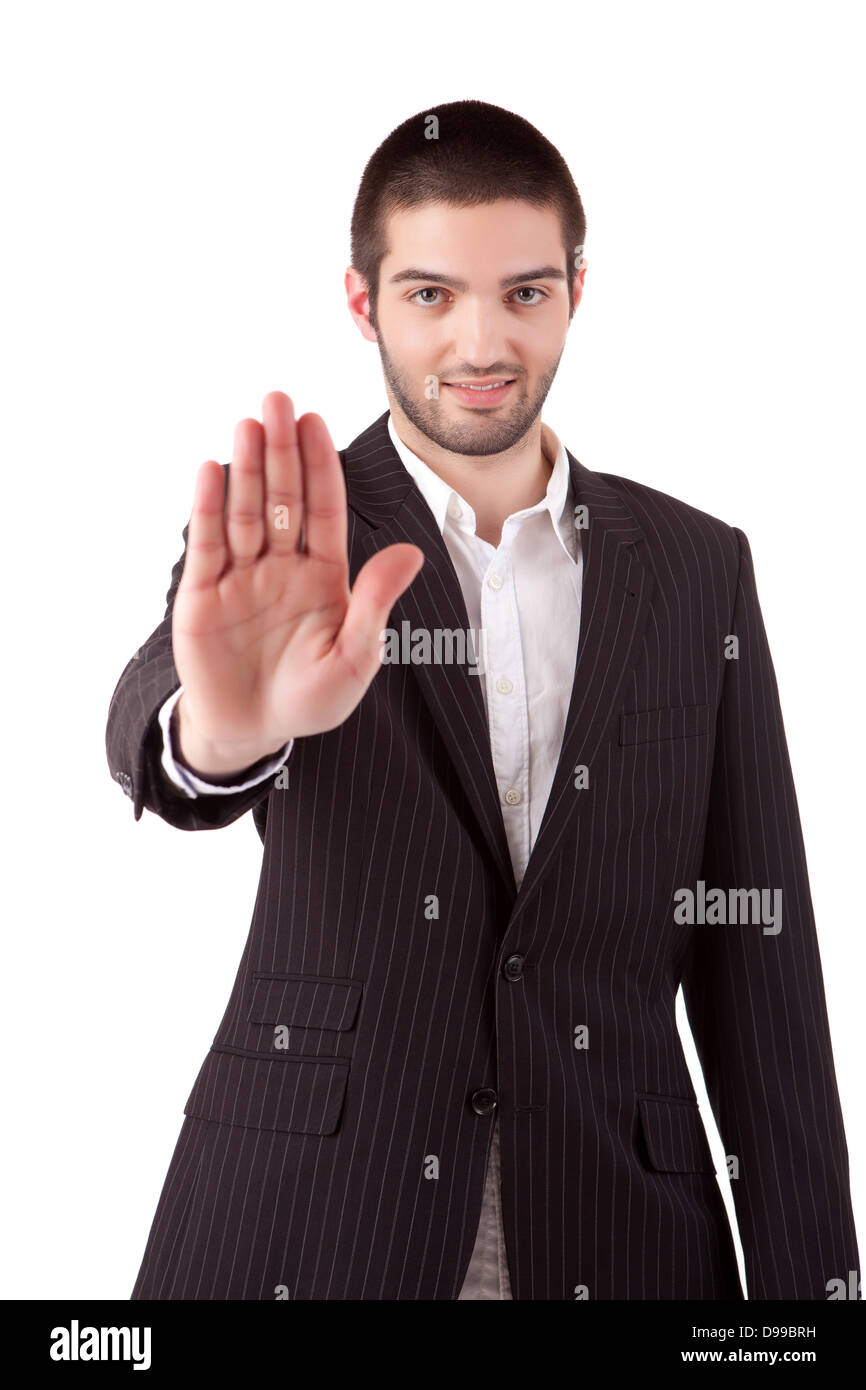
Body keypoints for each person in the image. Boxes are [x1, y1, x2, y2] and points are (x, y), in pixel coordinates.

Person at [106, 99, 859, 1300]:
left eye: (522, 292)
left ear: (573, 290)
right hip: (313, 1222)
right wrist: (222, 736)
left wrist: (809, 1295)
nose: (480, 341)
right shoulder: (296, 530)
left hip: (621, 1230)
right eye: (429, 294)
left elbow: (756, 961)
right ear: (363, 304)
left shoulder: (696, 566)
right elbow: (163, 711)